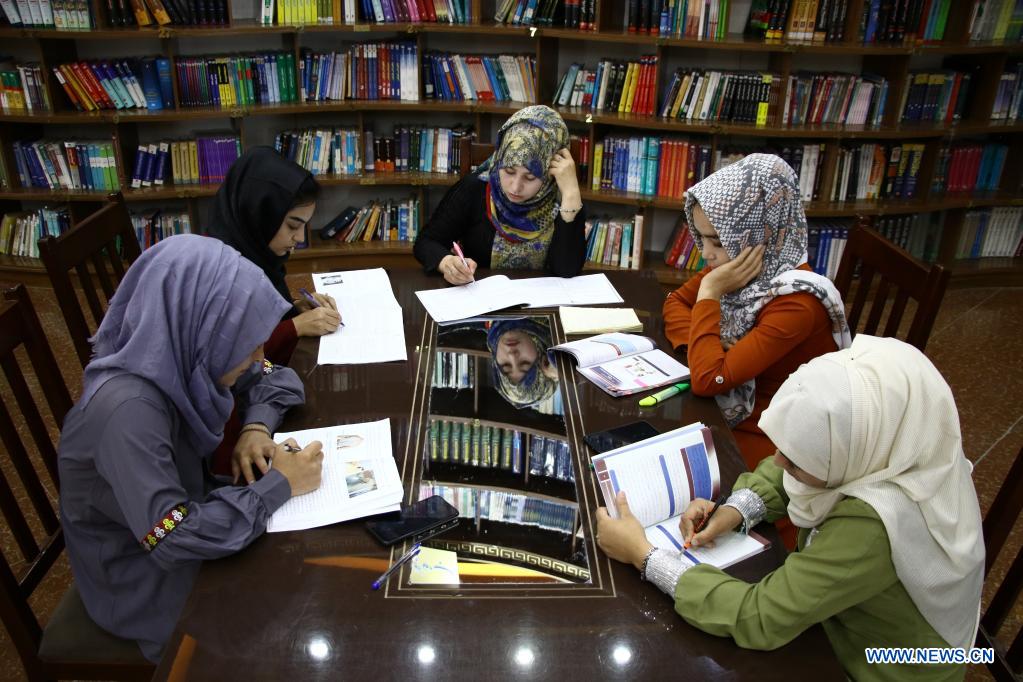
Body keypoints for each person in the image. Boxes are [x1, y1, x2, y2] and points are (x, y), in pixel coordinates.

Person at [595, 335, 985, 681]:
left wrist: (645, 556)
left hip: (875, 664)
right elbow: (788, 472)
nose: (778, 462)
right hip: (845, 622)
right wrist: (735, 510)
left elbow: (759, 618)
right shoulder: (894, 444)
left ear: (852, 458)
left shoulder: (874, 525)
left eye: (796, 460)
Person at [57, 235, 325, 662]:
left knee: (297, 586)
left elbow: (278, 376)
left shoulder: (182, 357)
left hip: (195, 514)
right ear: (204, 325)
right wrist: (278, 486)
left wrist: (255, 427)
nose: (259, 355)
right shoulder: (129, 414)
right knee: (283, 639)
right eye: (248, 342)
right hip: (144, 577)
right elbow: (168, 533)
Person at [662, 153, 851, 474]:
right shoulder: (741, 268)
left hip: (776, 437)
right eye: (702, 237)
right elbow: (675, 303)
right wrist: (698, 349)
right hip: (727, 412)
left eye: (717, 241)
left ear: (756, 234)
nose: (706, 253)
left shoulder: (797, 303)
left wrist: (709, 295)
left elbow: (708, 380)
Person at [413, 105, 586, 284]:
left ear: (550, 173)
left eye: (530, 177)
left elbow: (567, 269)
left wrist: (572, 193)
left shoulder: (563, 196)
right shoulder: (476, 188)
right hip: (482, 301)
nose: (515, 187)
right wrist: (447, 262)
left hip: (542, 305)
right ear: (499, 158)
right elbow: (426, 242)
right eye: (509, 171)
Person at [207, 145, 341, 366]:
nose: (299, 238)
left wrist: (293, 310)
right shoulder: (220, 272)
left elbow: (256, 323)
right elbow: (227, 362)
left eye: (304, 226)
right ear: (258, 213)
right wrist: (295, 327)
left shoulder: (257, 253)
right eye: (292, 226)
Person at [486, 318, 561, 414]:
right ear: (543, 355)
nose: (512, 356)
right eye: (524, 363)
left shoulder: (473, 318)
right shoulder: (559, 316)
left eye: (506, 365)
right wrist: (558, 362)